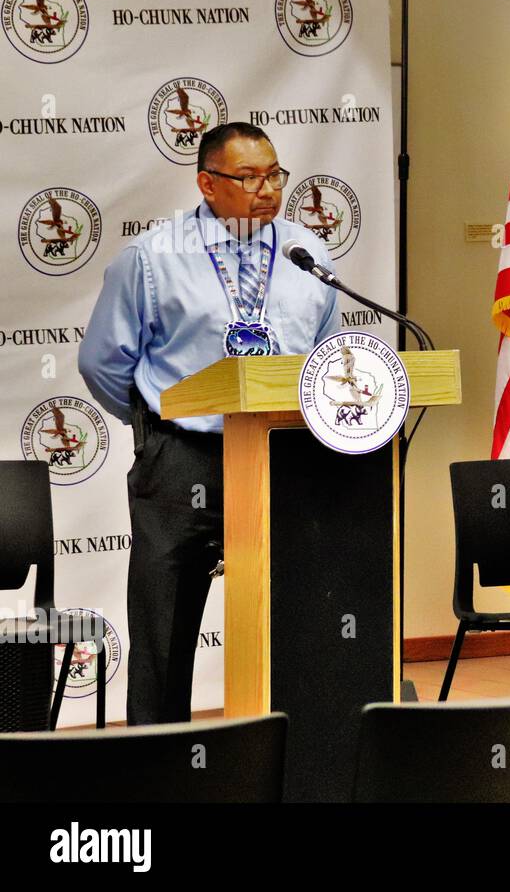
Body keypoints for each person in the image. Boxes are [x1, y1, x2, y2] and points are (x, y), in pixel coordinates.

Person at [79, 122, 339, 725]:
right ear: (206, 183)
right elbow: (103, 360)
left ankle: (296, 752)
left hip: (286, 458)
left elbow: (323, 352)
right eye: (249, 177)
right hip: (183, 459)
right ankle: (157, 763)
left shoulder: (309, 253)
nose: (268, 189)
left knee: (298, 615)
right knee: (165, 625)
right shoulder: (152, 258)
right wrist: (157, 423)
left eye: (275, 174)